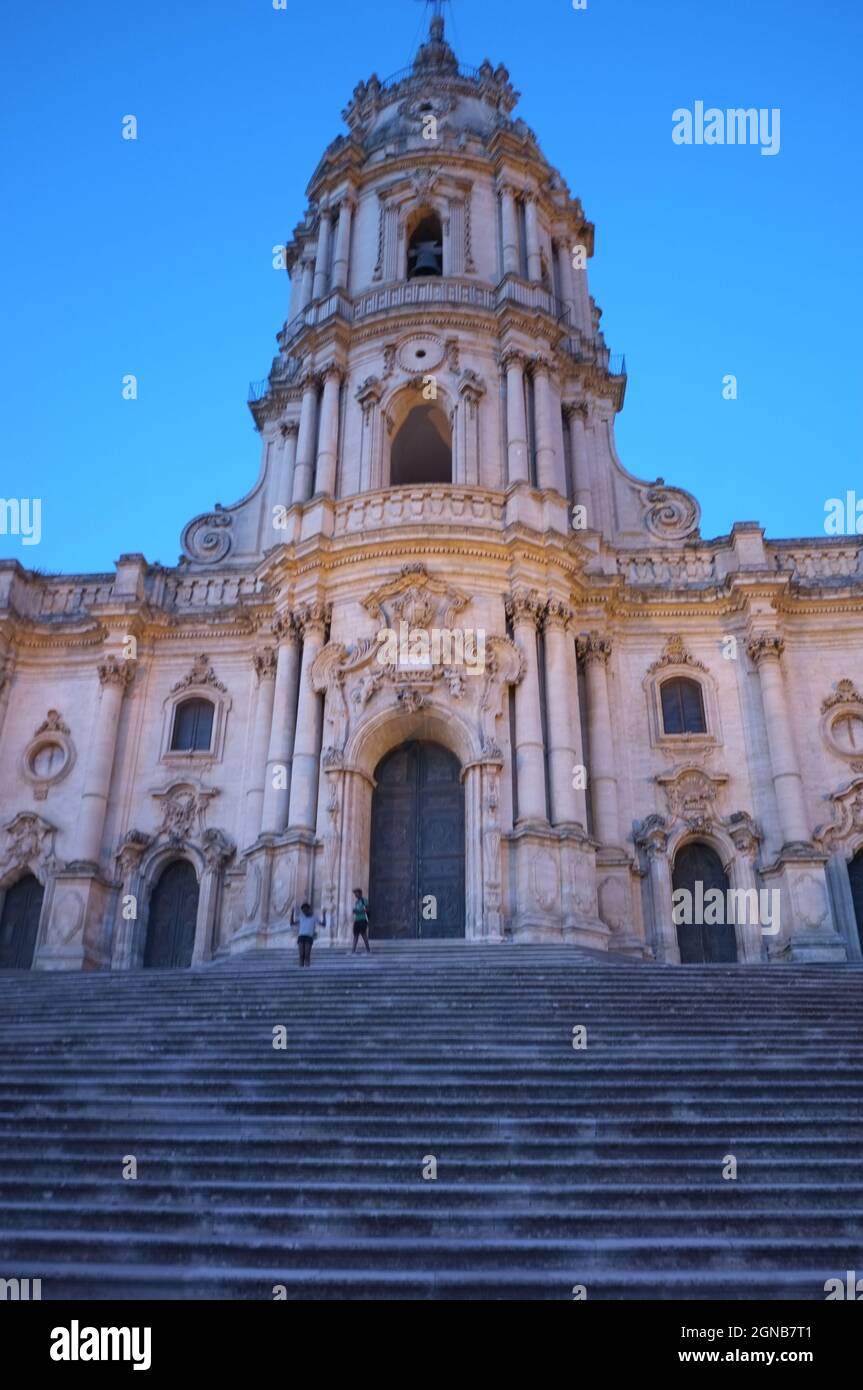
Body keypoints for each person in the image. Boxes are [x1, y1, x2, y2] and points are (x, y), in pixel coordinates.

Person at [290, 901, 324, 967]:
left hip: (309, 937)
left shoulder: (314, 917)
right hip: (301, 937)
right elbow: (292, 923)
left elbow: (323, 924)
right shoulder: (300, 917)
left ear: (308, 909)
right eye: (303, 911)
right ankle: (300, 969)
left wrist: (324, 915)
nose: (304, 912)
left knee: (307, 955)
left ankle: (307, 969)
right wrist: (292, 913)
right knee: (301, 955)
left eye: (305, 910)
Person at [352, 888, 371, 954]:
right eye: (354, 893)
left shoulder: (364, 900)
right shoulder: (356, 902)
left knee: (364, 935)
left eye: (356, 893)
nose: (355, 894)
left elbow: (367, 909)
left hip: (363, 919)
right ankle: (353, 950)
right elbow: (355, 910)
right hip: (357, 920)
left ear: (360, 893)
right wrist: (354, 911)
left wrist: (359, 911)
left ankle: (368, 950)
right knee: (355, 935)